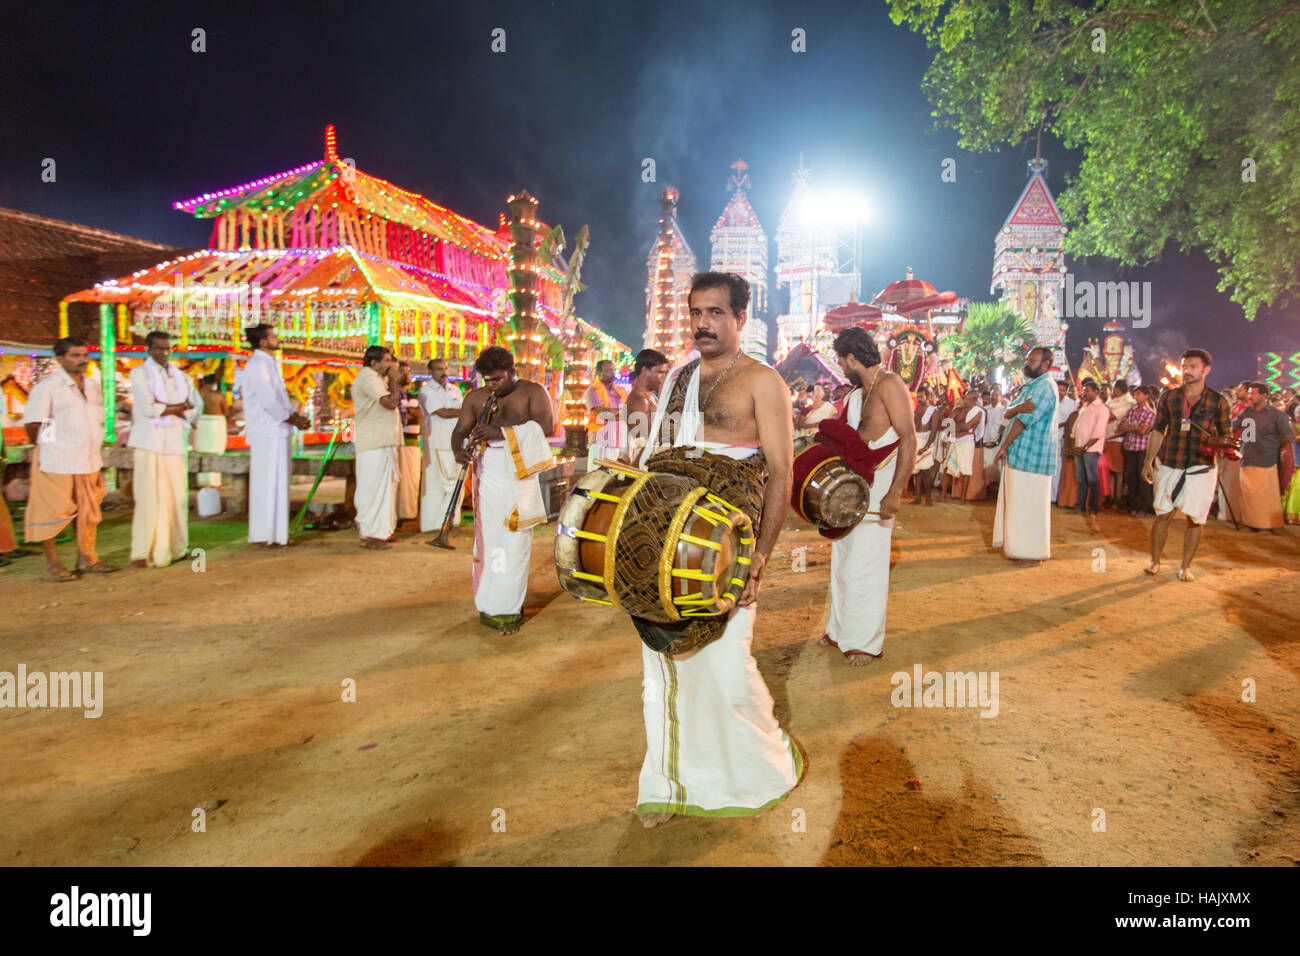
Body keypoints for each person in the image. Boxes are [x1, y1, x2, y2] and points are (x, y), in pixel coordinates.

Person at [634, 271, 801, 827]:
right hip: (668, 548)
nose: (703, 323)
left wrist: (758, 561)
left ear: (740, 318)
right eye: (696, 313)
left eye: (716, 313)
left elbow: (781, 473)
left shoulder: (762, 381)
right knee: (662, 671)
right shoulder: (678, 380)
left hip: (729, 548)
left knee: (728, 669)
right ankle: (668, 783)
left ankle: (759, 770)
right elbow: (657, 463)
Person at [820, 327, 916, 662]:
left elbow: (909, 439)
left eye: (840, 361)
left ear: (851, 358)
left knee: (867, 564)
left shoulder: (890, 385)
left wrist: (895, 493)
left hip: (880, 490)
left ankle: (864, 642)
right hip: (852, 489)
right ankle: (839, 630)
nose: (840, 368)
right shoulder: (856, 395)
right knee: (843, 558)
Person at [452, 346, 554, 635]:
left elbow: (546, 427)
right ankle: (489, 604)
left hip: (519, 477)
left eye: (497, 379)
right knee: (490, 542)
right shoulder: (476, 398)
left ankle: (508, 609)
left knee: (515, 544)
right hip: (489, 477)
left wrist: (501, 432)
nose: (491, 385)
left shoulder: (533, 392)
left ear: (512, 371)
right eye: (487, 380)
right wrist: (458, 451)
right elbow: (460, 431)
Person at [21, 337, 116, 581]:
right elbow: (35, 423)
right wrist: (50, 444)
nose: (82, 360)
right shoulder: (48, 387)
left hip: (88, 460)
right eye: (75, 355)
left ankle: (87, 558)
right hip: (57, 460)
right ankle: (53, 565)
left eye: (84, 355)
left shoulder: (93, 386)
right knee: (50, 512)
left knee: (88, 511)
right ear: (60, 359)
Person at [1143, 348, 1233, 581]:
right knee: (1163, 514)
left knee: (1196, 519)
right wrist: (1148, 461)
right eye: (1185, 366)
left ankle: (1185, 567)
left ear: (1206, 370)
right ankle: (1155, 561)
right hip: (1171, 463)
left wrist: (1220, 445)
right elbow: (1157, 431)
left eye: (1193, 366)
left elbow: (1227, 436)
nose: (1187, 371)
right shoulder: (1169, 397)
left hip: (1201, 467)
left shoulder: (1218, 401)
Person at [128, 331, 201, 568]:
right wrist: (180, 408)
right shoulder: (139, 374)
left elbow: (196, 406)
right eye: (159, 348)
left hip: (175, 442)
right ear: (148, 349)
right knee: (149, 497)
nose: (164, 353)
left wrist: (173, 409)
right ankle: (144, 552)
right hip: (149, 443)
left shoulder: (181, 375)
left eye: (167, 348)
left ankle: (177, 548)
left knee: (177, 498)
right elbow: (149, 408)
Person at [242, 324, 310, 548]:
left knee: (278, 483)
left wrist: (294, 416)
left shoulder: (269, 364)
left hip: (277, 431)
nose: (277, 338)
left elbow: (279, 399)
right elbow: (268, 400)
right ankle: (262, 535)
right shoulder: (257, 365)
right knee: (265, 484)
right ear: (262, 342)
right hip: (266, 432)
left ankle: (277, 534)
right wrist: (293, 419)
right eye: (272, 336)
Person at [992, 347, 1059, 562]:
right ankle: (1018, 549)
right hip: (1021, 456)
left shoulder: (1045, 388)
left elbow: (1022, 420)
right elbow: (1010, 410)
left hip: (1032, 459)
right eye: (1028, 360)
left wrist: (1004, 446)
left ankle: (1030, 553)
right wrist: (1015, 409)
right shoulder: (1033, 386)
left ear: (1046, 364)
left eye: (1033, 361)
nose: (1028, 363)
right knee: (1018, 505)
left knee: (1029, 507)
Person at [352, 346, 402, 550]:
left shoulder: (376, 378)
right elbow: (389, 403)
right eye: (387, 360)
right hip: (373, 442)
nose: (390, 364)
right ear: (374, 363)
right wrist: (394, 380)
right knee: (372, 489)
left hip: (382, 442)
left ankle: (382, 532)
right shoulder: (368, 377)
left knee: (385, 490)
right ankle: (371, 534)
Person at [1233, 382, 1293, 532]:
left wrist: (1272, 447)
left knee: (1265, 496)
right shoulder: (1245, 413)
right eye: (1250, 393)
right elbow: (1233, 426)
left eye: (1254, 393)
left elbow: (1287, 437)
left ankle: (1266, 525)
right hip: (1247, 458)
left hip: (1266, 459)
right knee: (1248, 494)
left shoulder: (1277, 415)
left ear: (1264, 396)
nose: (1250, 396)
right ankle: (1249, 523)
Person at [420, 358, 465, 547]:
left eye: (445, 368)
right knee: (434, 485)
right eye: (439, 369)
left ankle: (451, 521)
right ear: (430, 371)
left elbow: (458, 412)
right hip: (435, 443)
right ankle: (432, 523)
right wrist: (463, 412)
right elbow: (442, 413)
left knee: (455, 483)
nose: (443, 372)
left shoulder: (455, 390)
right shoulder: (425, 391)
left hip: (454, 442)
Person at [1072, 380, 1108, 526]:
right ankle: (1081, 505)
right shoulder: (1085, 406)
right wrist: (1074, 443)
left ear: (1095, 392)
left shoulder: (1102, 409)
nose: (1084, 393)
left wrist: (1085, 447)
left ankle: (1093, 508)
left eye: (1087, 391)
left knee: (1092, 479)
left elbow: (1098, 432)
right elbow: (1077, 426)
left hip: (1090, 449)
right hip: (1080, 447)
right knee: (1081, 479)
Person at [624, 348, 669, 463]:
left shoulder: (651, 397)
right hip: (645, 465)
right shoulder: (638, 400)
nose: (663, 377)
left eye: (665, 373)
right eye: (659, 372)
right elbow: (644, 445)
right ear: (644, 370)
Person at [1117, 385, 1156, 516]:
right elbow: (1122, 427)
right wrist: (1135, 428)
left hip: (1142, 449)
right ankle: (1133, 506)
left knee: (1142, 478)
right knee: (1131, 478)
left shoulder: (1150, 413)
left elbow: (1143, 431)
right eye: (1135, 394)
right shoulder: (1132, 410)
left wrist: (1129, 428)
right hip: (1130, 447)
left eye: (1139, 394)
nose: (1136, 397)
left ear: (1146, 396)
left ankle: (1143, 508)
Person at [395, 360, 422, 527]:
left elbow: (420, 414)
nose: (406, 374)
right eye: (402, 371)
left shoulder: (413, 396)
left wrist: (410, 412)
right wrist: (411, 413)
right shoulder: (391, 396)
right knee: (399, 480)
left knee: (411, 480)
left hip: (412, 441)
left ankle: (408, 514)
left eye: (408, 371)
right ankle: (397, 515)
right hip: (398, 441)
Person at [943, 389, 981, 500]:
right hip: (954, 440)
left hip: (966, 442)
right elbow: (948, 424)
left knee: (966, 470)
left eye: (968, 399)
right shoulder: (957, 410)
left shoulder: (977, 412)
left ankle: (963, 498)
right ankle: (943, 495)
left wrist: (954, 426)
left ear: (974, 400)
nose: (965, 401)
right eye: (964, 398)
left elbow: (967, 427)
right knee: (947, 467)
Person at [585, 359, 625, 463]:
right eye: (608, 370)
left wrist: (616, 412)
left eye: (613, 370)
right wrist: (622, 412)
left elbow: (629, 413)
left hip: (618, 442)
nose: (612, 373)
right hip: (600, 443)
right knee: (597, 477)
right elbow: (604, 414)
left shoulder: (620, 391)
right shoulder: (592, 390)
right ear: (598, 373)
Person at [1103, 380, 1135, 509]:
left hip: (1117, 438)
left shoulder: (1128, 402)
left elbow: (1111, 416)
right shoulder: (1115, 401)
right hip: (1109, 438)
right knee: (1110, 471)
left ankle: (1117, 498)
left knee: (1118, 471)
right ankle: (1111, 497)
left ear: (1118, 389)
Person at [194, 372, 229, 487]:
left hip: (201, 422)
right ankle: (214, 481)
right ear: (214, 383)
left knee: (202, 449)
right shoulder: (218, 395)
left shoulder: (197, 394)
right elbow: (226, 412)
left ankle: (202, 481)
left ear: (203, 382)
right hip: (216, 422)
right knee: (215, 449)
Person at [912, 385, 939, 506]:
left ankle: (928, 498)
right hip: (917, 441)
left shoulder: (933, 410)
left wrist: (926, 447)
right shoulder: (917, 410)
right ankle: (917, 498)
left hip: (927, 442)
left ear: (927, 397)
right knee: (916, 472)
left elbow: (934, 431)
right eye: (918, 397)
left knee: (926, 472)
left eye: (921, 397)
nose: (919, 399)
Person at [1052, 379, 1077, 501]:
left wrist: (1061, 425)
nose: (1060, 392)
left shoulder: (1072, 404)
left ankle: (1058, 497)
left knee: (1060, 468)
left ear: (1066, 391)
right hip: (1049, 439)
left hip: (1063, 439)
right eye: (1058, 389)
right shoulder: (1050, 401)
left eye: (1063, 390)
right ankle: (1050, 497)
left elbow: (1072, 422)